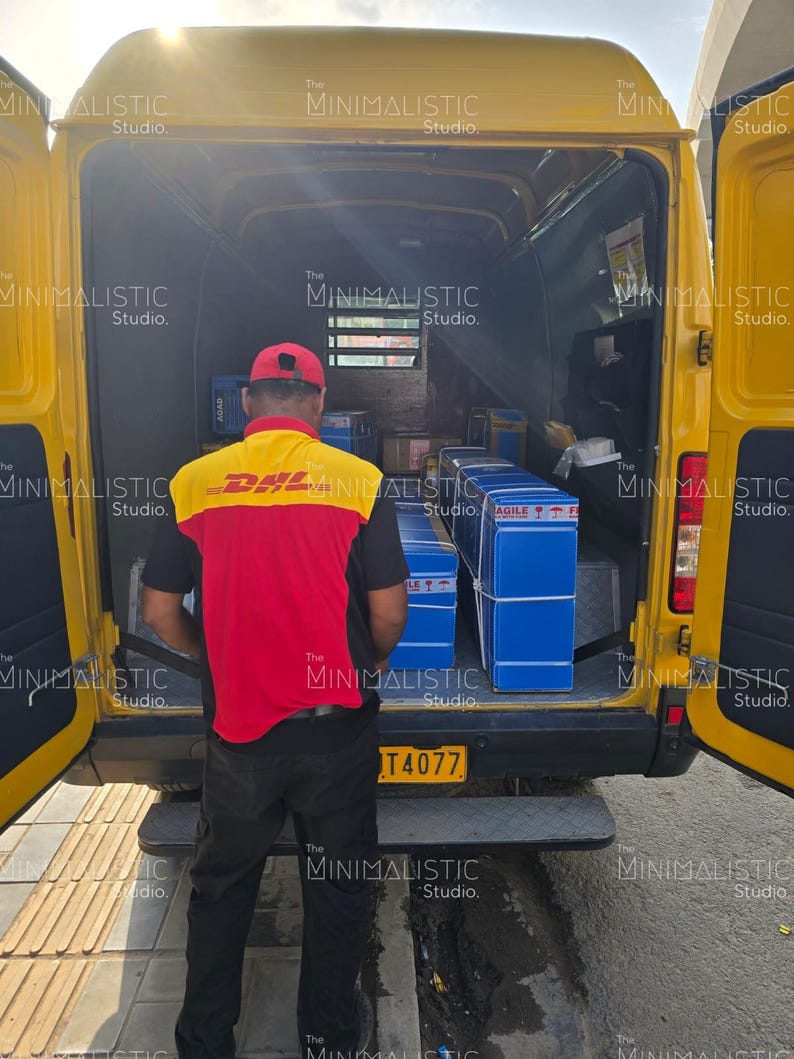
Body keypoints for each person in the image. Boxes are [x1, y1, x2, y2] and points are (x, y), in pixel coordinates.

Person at [140, 341, 409, 1059]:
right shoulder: (359, 482)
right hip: (335, 735)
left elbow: (159, 608)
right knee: (337, 889)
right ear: (319, 407)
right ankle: (326, 1038)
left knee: (224, 889)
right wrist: (370, 662)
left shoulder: (194, 484)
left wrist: (211, 656)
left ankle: (203, 1042)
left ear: (249, 404)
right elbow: (389, 612)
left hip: (240, 735)